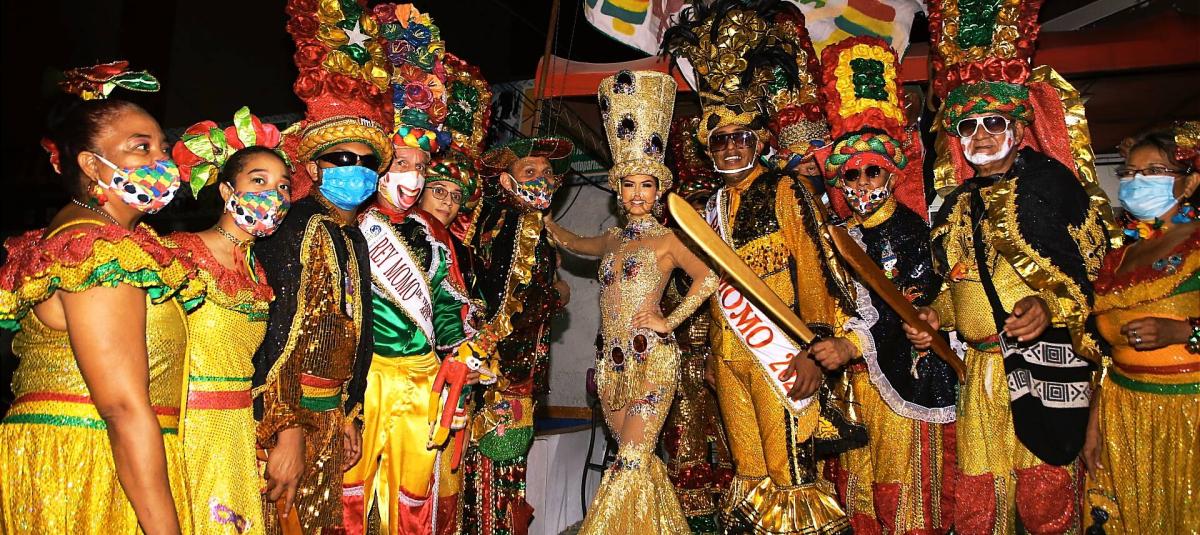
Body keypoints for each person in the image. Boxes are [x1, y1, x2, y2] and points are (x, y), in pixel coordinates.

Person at [906, 1, 1115, 531]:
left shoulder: (1051, 188)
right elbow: (956, 287)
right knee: (978, 502)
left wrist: (1049, 306)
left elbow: (1094, 278)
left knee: (1046, 499)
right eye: (968, 124)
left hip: (1043, 366)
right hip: (978, 374)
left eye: (992, 121)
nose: (978, 135)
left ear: (1018, 126)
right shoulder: (954, 206)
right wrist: (934, 316)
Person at [666, 3, 872, 532]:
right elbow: (709, 288)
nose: (731, 146)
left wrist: (815, 348)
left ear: (759, 141)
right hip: (728, 352)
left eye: (741, 137)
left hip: (778, 354)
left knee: (789, 472)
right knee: (749, 473)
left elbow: (816, 269)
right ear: (707, 146)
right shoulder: (705, 208)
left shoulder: (786, 190)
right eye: (720, 138)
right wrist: (711, 353)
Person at [0, 62, 194, 534]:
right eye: (140, 148)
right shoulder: (96, 249)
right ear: (91, 165)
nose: (162, 161)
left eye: (162, 148)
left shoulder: (95, 238)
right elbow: (123, 408)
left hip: (107, 456)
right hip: (93, 462)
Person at [543, 70, 718, 534]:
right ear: (618, 190)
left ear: (659, 191)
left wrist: (670, 320)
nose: (637, 194)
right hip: (611, 366)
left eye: (647, 185)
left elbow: (709, 277)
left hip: (652, 361)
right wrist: (537, 212)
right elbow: (574, 242)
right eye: (629, 185)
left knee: (633, 458)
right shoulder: (613, 239)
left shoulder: (668, 241)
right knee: (634, 461)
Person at [254, 2, 393, 530]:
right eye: (343, 160)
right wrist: (285, 427)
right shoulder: (299, 227)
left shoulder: (349, 235)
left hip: (329, 417)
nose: (356, 171)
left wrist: (346, 412)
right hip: (288, 419)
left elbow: (353, 333)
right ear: (314, 167)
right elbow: (280, 329)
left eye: (366, 163)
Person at [817, 37, 958, 535]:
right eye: (849, 173)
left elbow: (910, 304)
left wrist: (849, 343)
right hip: (855, 383)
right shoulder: (843, 233)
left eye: (870, 170)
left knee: (901, 496)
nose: (859, 182)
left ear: (893, 172)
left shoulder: (911, 231)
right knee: (859, 492)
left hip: (903, 377)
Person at [169, 107, 293, 535]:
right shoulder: (178, 254)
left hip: (239, 430)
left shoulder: (262, 272)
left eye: (282, 186)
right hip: (187, 430)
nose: (273, 195)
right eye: (258, 181)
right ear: (226, 191)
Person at [1083, 126, 1199, 534]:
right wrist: (1095, 422)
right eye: (1130, 173)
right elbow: (1106, 354)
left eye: (1154, 170)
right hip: (1124, 410)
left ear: (1190, 181)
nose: (1136, 182)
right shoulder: (1118, 257)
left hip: (1189, 412)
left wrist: (1182, 332)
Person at [460, 134, 574, 535]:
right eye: (530, 172)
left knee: (494, 468)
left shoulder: (510, 222)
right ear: (507, 182)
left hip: (505, 369)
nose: (542, 178)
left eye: (546, 172)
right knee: (499, 469)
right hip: (505, 372)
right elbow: (511, 302)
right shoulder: (520, 222)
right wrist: (559, 292)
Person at [658, 116, 733, 534]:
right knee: (686, 446)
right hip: (680, 363)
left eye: (705, 203)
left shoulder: (726, 256)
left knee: (730, 444)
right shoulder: (667, 253)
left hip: (725, 358)